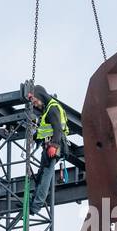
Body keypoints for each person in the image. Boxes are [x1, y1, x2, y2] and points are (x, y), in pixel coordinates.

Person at [27, 83, 68, 214]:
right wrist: (34, 137)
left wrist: (54, 145)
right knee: (41, 175)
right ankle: (34, 201)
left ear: (40, 96)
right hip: (48, 145)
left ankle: (35, 206)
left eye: (35, 100)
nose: (35, 104)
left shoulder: (52, 109)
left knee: (46, 176)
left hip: (53, 145)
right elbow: (45, 131)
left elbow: (57, 129)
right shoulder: (47, 110)